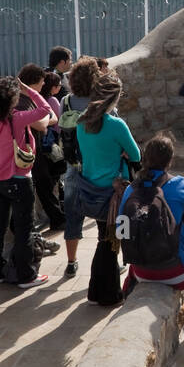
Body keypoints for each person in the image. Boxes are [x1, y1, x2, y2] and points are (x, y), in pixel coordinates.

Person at [67, 71, 141, 305]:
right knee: (110, 242)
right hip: (114, 194)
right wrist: (121, 152)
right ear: (116, 97)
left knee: (105, 239)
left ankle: (96, 292)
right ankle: (108, 295)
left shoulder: (82, 122)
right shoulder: (116, 125)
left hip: (91, 191)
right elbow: (136, 155)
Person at [118, 132, 184, 304]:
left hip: (140, 272)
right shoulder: (179, 183)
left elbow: (121, 230)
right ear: (170, 160)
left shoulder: (130, 190)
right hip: (176, 274)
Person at [0, 74, 53, 288]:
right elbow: (46, 110)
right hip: (18, 179)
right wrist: (30, 91)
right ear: (11, 98)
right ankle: (26, 276)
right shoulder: (16, 118)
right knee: (23, 229)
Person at [58, 56, 101, 276]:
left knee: (73, 216)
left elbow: (60, 129)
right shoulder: (101, 102)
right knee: (105, 217)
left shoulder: (65, 102)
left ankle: (71, 262)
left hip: (73, 164)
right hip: (98, 166)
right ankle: (108, 260)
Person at [30, 68, 66, 233]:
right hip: (41, 149)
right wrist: (47, 121)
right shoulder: (43, 101)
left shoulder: (35, 100)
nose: (43, 83)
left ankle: (57, 218)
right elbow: (52, 120)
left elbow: (51, 118)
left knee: (46, 185)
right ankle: (57, 219)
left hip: (39, 147)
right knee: (47, 185)